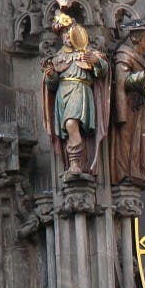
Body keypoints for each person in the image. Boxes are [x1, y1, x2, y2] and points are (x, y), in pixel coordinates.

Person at [42, 12, 110, 175]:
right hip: (63, 95)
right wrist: (51, 76)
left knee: (72, 124)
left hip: (80, 92)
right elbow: (52, 86)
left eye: (69, 31)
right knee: (69, 127)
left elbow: (101, 73)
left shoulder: (87, 53)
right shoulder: (58, 58)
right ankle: (74, 161)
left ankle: (75, 163)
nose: (66, 36)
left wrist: (96, 62)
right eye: (63, 33)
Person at [109, 19, 145, 186]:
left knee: (141, 140)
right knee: (127, 141)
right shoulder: (124, 55)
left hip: (138, 107)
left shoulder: (142, 60)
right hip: (127, 107)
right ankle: (126, 172)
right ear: (136, 39)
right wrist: (144, 76)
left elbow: (144, 90)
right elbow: (123, 81)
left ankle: (138, 171)